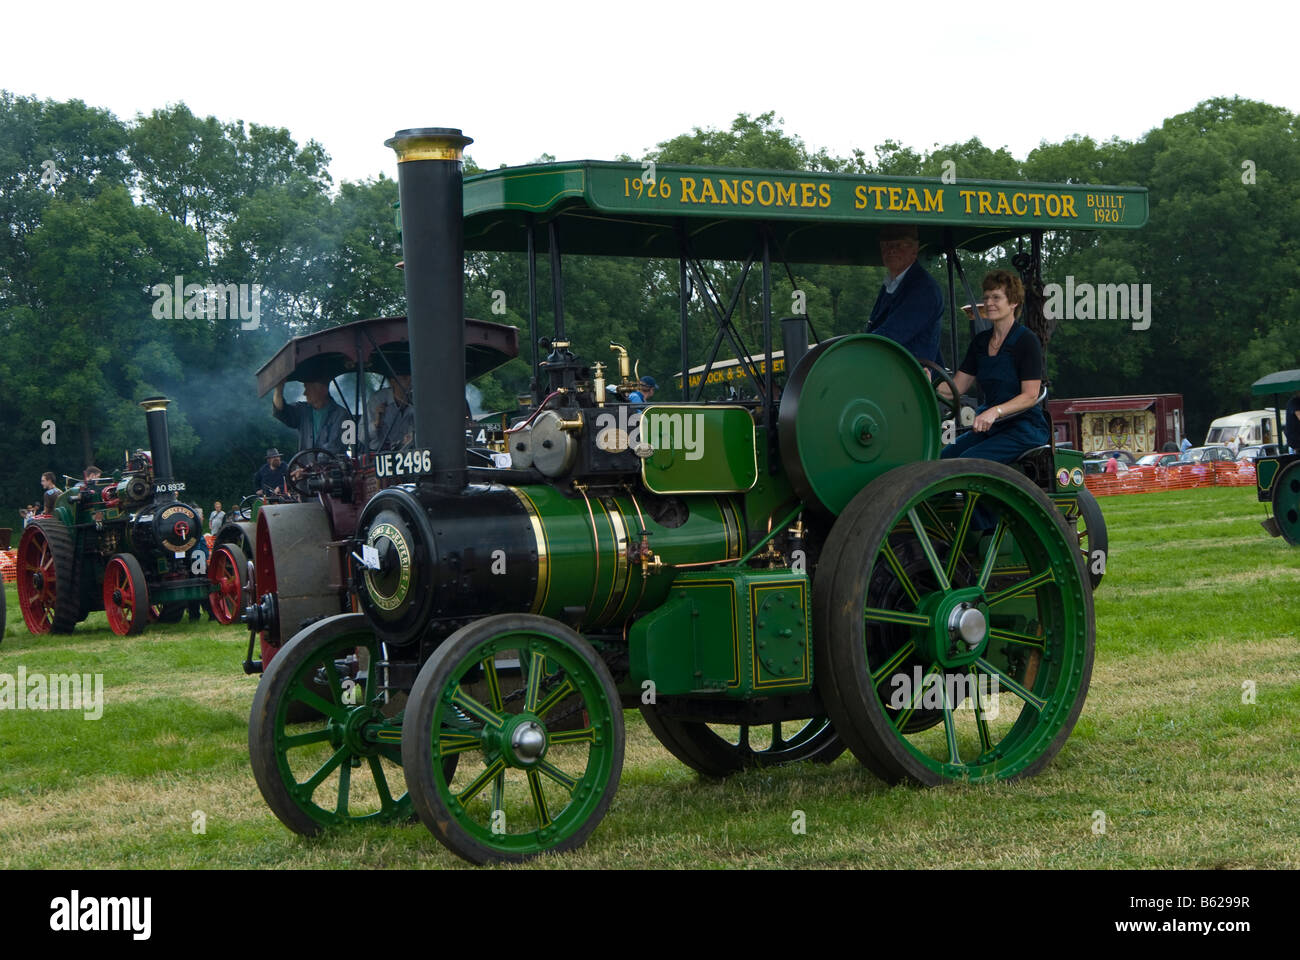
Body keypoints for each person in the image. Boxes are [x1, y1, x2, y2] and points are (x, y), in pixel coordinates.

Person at [938, 270, 1048, 464]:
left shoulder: (1027, 341)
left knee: (967, 462)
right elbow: (954, 389)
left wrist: (994, 411)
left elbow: (1030, 395)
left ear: (1013, 302)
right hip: (991, 426)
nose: (989, 303)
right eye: (986, 297)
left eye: (996, 297)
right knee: (943, 458)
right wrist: (924, 382)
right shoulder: (980, 342)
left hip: (1023, 428)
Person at [866, 224, 944, 367]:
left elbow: (891, 336)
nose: (891, 250)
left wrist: (855, 348)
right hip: (889, 369)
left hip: (911, 377)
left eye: (899, 245)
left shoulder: (925, 289)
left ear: (914, 250)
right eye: (886, 245)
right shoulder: (891, 284)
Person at [272, 378, 349, 456]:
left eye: (308, 388)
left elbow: (335, 449)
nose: (305, 393)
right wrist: (279, 388)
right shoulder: (302, 410)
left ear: (323, 390)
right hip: (305, 467)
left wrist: (311, 467)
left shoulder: (343, 415)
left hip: (331, 467)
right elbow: (281, 411)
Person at [370, 374, 415, 451]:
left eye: (412, 378)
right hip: (378, 453)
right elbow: (363, 437)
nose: (410, 382)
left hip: (409, 453)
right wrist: (377, 423)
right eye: (405, 378)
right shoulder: (378, 399)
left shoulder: (417, 400)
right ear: (392, 382)